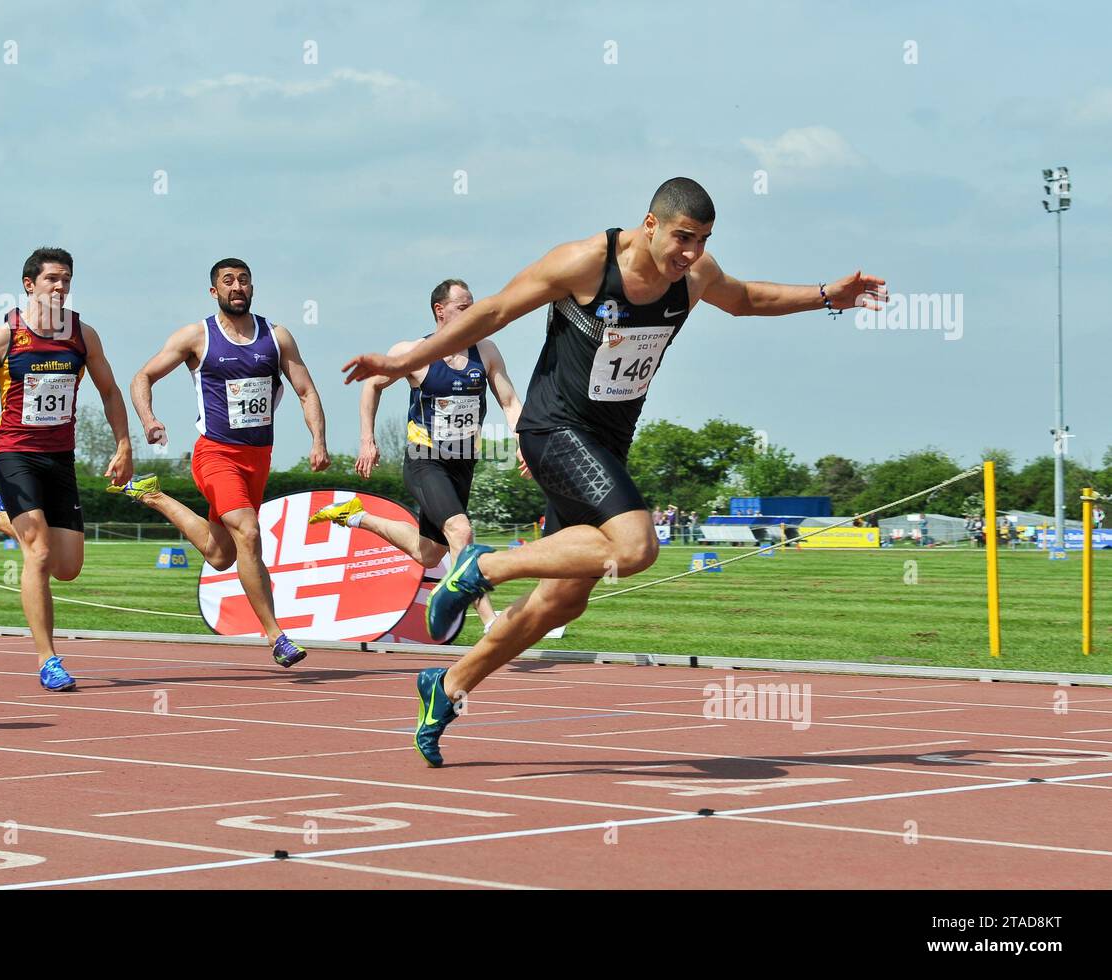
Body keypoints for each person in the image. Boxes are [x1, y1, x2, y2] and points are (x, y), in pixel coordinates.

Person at [343, 176, 886, 766]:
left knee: (560, 604)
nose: (692, 253)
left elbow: (748, 297)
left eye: (702, 240)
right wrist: (404, 361)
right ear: (649, 225)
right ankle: (481, 566)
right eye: (683, 237)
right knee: (634, 547)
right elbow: (493, 312)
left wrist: (830, 293)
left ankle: (444, 688)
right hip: (553, 430)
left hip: (606, 445)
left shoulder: (695, 276)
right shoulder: (583, 263)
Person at [112, 258, 329, 668]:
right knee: (248, 531)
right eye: (228, 282)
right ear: (214, 291)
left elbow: (306, 391)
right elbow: (142, 377)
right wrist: (149, 419)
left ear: (253, 288)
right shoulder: (197, 336)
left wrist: (318, 440)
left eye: (244, 280)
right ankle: (276, 636)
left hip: (257, 459)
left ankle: (153, 496)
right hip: (215, 454)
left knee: (220, 554)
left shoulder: (277, 337)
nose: (237, 287)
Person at [0, 247, 132, 691]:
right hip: (14, 453)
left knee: (67, 567)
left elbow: (109, 391)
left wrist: (123, 445)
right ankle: (49, 659)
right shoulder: (3, 336)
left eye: (66, 279)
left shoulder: (83, 335)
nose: (61, 287)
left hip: (59, 458)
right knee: (40, 552)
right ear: (30, 284)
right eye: (52, 279)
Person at [311, 281, 525, 633]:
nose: (471, 313)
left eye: (473, 306)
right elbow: (372, 385)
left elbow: (510, 402)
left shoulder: (485, 350)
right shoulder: (414, 352)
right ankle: (490, 622)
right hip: (425, 459)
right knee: (461, 530)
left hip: (462, 462)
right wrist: (368, 440)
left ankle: (356, 517)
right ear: (440, 310)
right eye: (462, 307)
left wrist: (522, 439)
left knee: (429, 553)